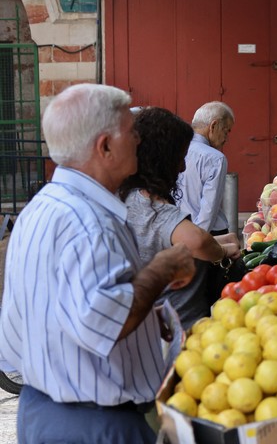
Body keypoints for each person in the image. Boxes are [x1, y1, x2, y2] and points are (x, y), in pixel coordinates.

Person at [0, 83, 195, 444]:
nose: (138, 140)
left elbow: (63, 308)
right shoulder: (89, 222)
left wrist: (144, 320)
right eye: (131, 132)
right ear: (105, 147)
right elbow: (107, 319)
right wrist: (162, 270)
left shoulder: (43, 206)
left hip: (43, 411)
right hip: (93, 425)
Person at [121, 107, 241, 331]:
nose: (183, 166)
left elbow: (167, 243)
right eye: (180, 157)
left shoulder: (128, 194)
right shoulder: (152, 206)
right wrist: (222, 251)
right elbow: (197, 241)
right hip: (177, 325)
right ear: (162, 159)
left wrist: (220, 241)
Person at [178, 101, 235, 236]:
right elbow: (209, 209)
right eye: (226, 131)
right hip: (208, 233)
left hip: (178, 230)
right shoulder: (215, 158)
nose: (226, 139)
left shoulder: (177, 148)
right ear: (213, 126)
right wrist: (198, 239)